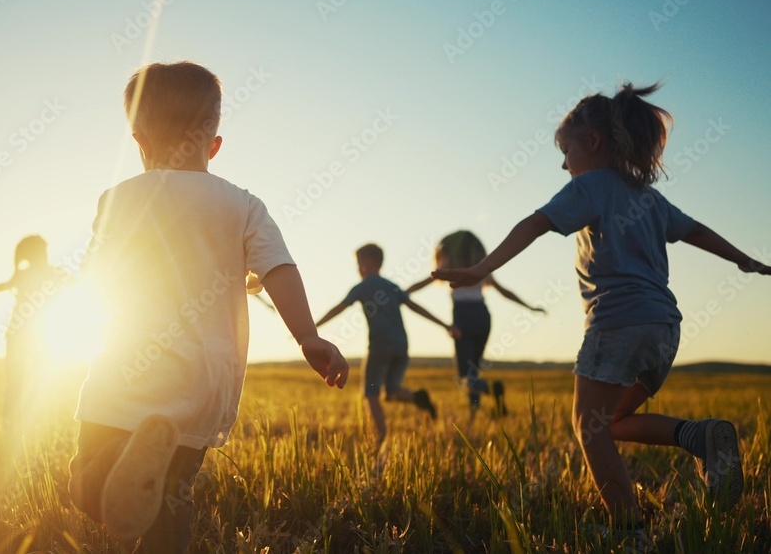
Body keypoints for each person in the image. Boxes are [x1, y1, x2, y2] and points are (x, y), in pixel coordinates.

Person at [433, 82, 769, 544]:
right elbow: (697, 230)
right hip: (664, 328)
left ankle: (629, 531)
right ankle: (699, 436)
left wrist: (481, 267)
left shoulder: (590, 186)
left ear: (592, 142)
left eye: (565, 149)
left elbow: (534, 224)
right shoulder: (649, 197)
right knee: (612, 422)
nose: (563, 162)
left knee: (587, 428)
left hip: (617, 323)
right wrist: (742, 259)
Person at [67, 61, 349, 553]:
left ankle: (117, 456)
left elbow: (97, 277)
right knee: (172, 500)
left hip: (124, 372)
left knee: (88, 485)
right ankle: (152, 495)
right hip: (196, 386)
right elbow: (280, 267)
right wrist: (308, 336)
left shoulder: (118, 199)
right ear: (214, 143)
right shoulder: (241, 204)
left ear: (139, 142)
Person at [316, 243, 456, 445]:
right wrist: (444, 325)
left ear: (369, 263)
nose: (357, 268)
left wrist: (312, 328)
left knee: (371, 394)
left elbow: (339, 308)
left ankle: (382, 439)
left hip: (380, 347)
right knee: (391, 391)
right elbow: (415, 306)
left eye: (359, 263)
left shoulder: (361, 287)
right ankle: (419, 398)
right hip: (401, 346)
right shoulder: (391, 286)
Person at [406, 230, 546, 418]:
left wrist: (401, 293)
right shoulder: (480, 269)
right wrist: (529, 307)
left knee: (465, 376)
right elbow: (505, 291)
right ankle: (475, 412)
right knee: (474, 370)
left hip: (463, 317)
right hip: (483, 316)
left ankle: (489, 390)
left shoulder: (449, 269)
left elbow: (422, 283)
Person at [0, 235, 69, 425]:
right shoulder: (28, 274)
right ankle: (11, 423)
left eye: (45, 250)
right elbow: (4, 285)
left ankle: (26, 423)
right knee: (18, 380)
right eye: (41, 250)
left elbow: (77, 279)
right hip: (21, 335)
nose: (45, 254)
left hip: (37, 336)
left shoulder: (52, 273)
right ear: (32, 254)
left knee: (37, 379)